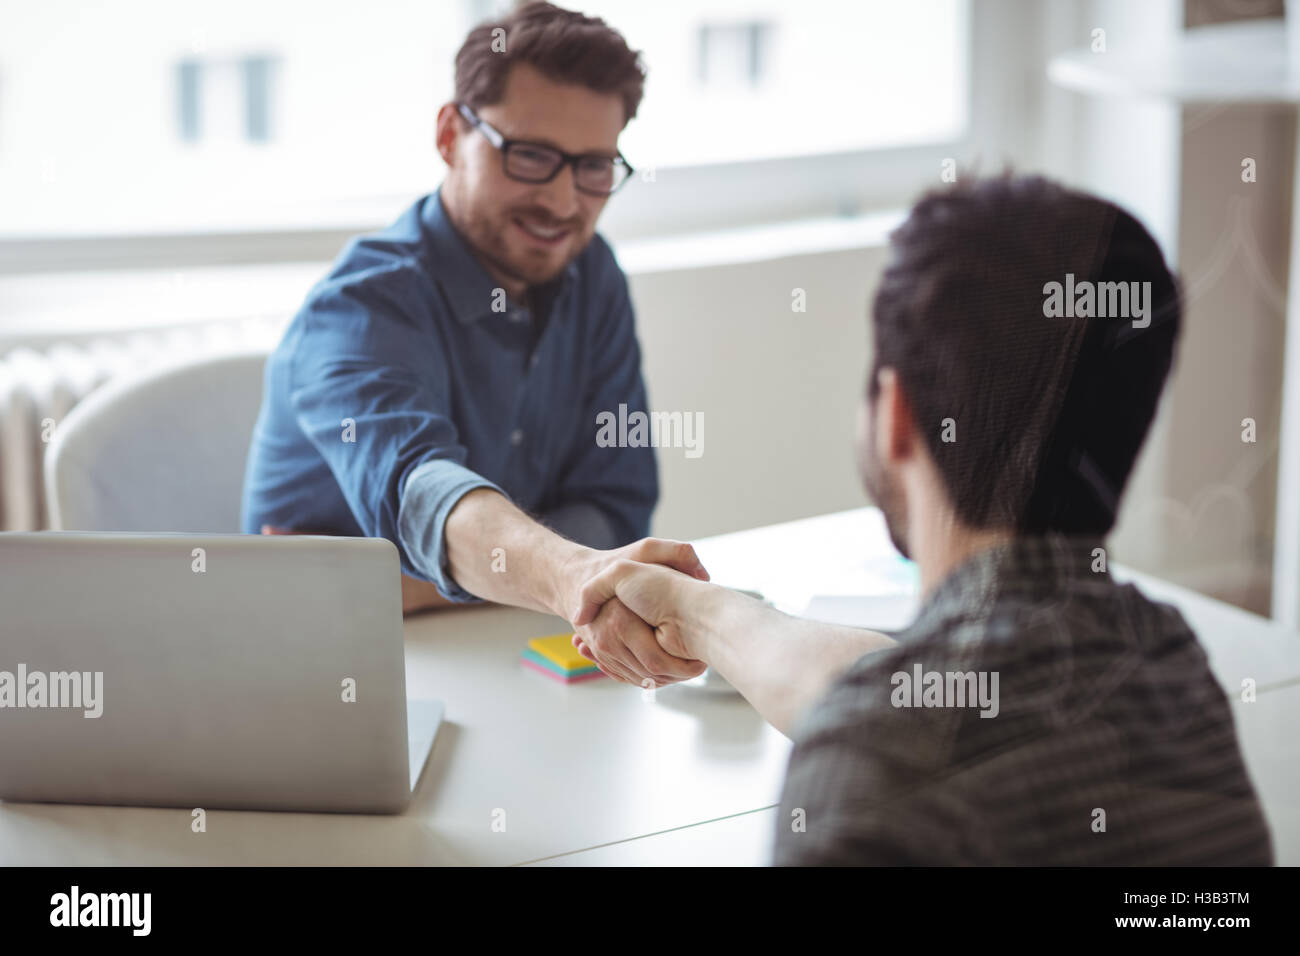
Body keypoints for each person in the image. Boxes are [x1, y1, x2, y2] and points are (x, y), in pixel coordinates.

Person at [573, 174, 1274, 865]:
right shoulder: (1170, 668)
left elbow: (896, 711)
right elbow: (910, 686)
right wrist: (695, 611)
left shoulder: (870, 777)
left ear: (899, 416)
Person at [241, 1, 708, 687]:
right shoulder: (360, 306)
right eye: (530, 156)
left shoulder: (591, 272)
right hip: (329, 676)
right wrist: (569, 571)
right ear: (449, 135)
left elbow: (616, 504)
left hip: (502, 661)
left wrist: (400, 584)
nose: (562, 201)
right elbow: (421, 491)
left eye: (594, 168)